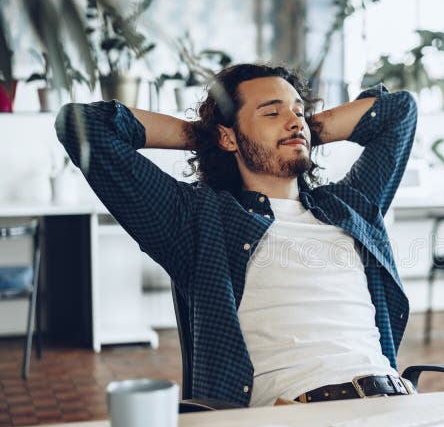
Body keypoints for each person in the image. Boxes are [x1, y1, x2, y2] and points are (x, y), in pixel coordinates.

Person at [55, 63, 417, 407]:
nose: (294, 121)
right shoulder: (196, 219)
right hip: (299, 415)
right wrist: (207, 137)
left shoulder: (349, 207)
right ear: (227, 137)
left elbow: (400, 111)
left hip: (393, 400)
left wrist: (300, 130)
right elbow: (81, 125)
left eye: (299, 111)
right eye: (272, 113)